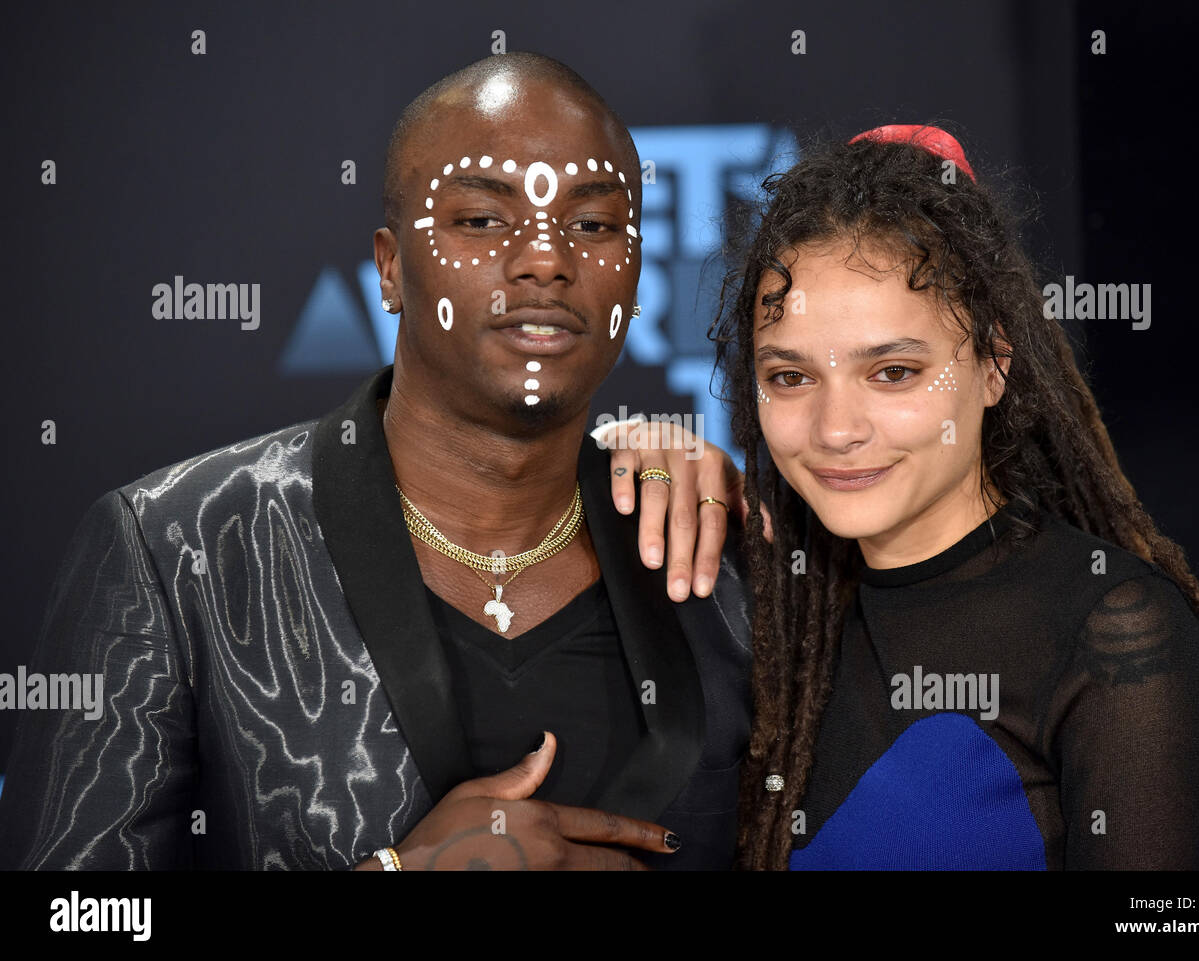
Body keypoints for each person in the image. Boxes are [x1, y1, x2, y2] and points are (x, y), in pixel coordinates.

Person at [0, 52, 753, 871]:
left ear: (636, 273)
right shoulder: (177, 550)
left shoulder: (713, 543)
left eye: (595, 224)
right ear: (391, 267)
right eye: (482, 219)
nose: (546, 259)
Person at [709, 125, 1199, 869]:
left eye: (893, 371)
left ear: (993, 364)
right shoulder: (762, 611)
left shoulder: (1114, 631)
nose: (835, 430)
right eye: (790, 376)